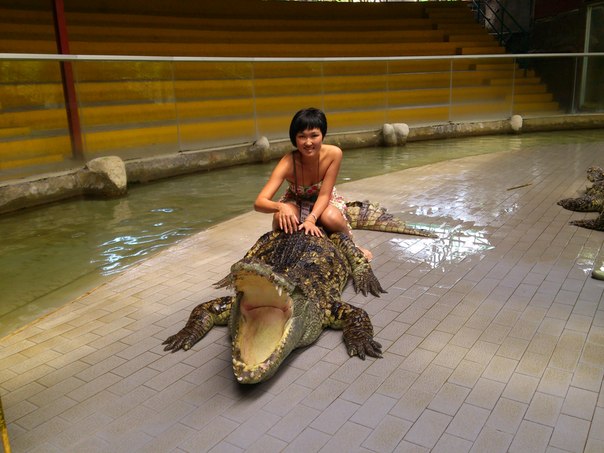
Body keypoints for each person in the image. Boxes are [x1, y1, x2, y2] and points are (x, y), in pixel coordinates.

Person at [254, 107, 373, 262]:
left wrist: (311, 219)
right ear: (294, 138)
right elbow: (259, 203)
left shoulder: (334, 154)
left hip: (324, 200)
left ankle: (352, 245)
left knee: (330, 217)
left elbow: (324, 194)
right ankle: (280, 248)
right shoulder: (287, 162)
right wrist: (281, 207)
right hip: (296, 200)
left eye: (314, 135)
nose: (308, 142)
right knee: (279, 217)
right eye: (302, 136)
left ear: (322, 135)